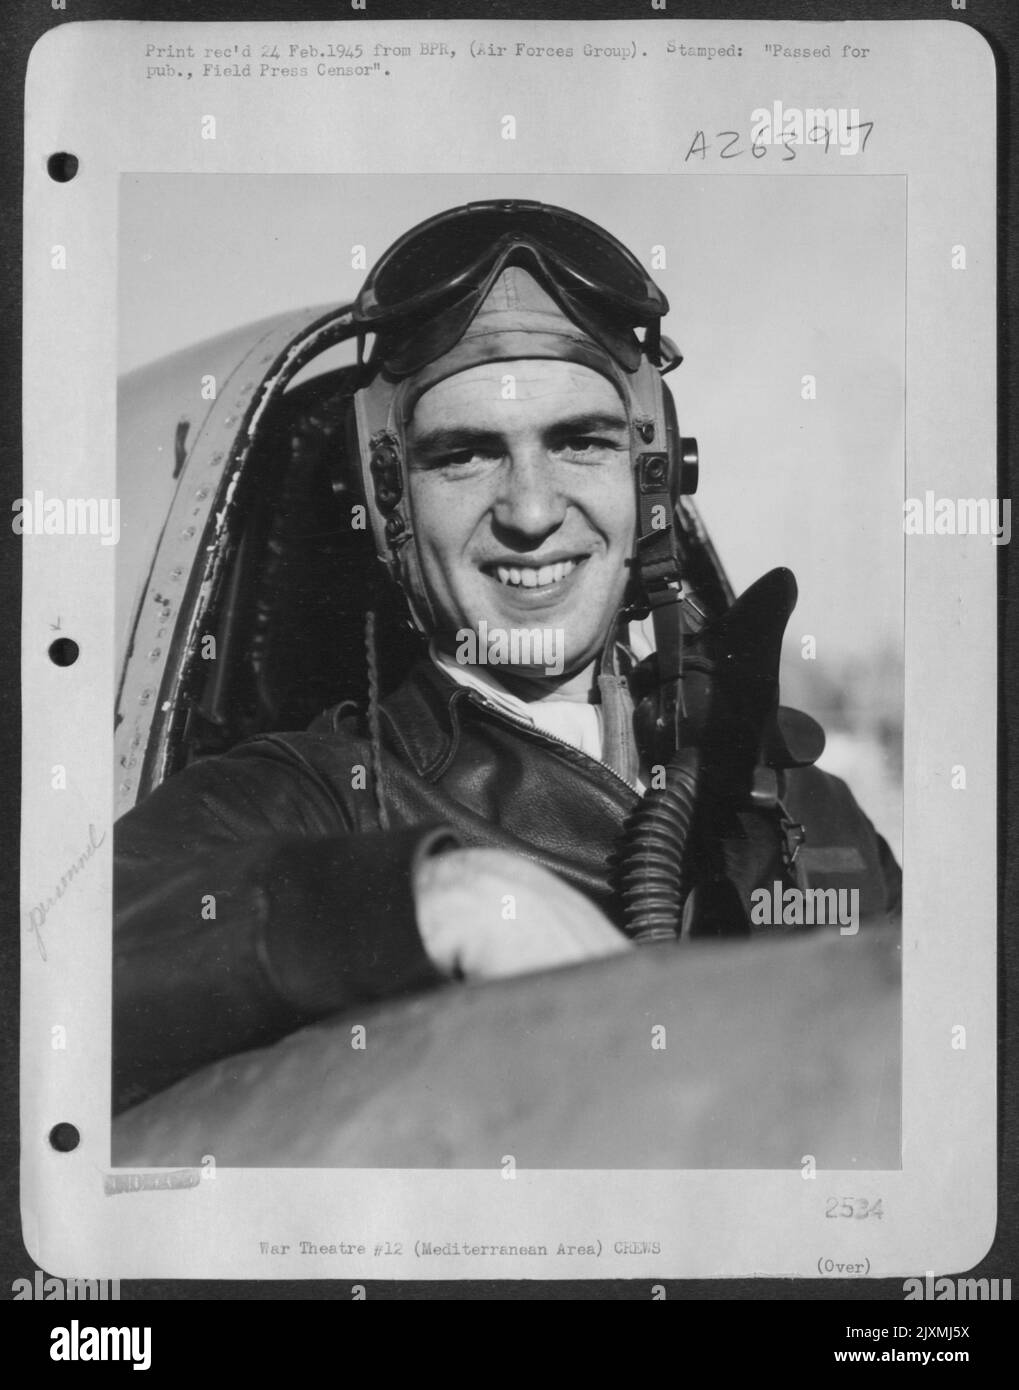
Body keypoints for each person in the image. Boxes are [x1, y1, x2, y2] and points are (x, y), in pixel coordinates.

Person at [113, 201, 900, 1114]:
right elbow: (67, 962)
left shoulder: (811, 815)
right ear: (391, 503)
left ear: (651, 480)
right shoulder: (308, 803)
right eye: (464, 456)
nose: (530, 511)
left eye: (579, 441)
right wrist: (432, 903)